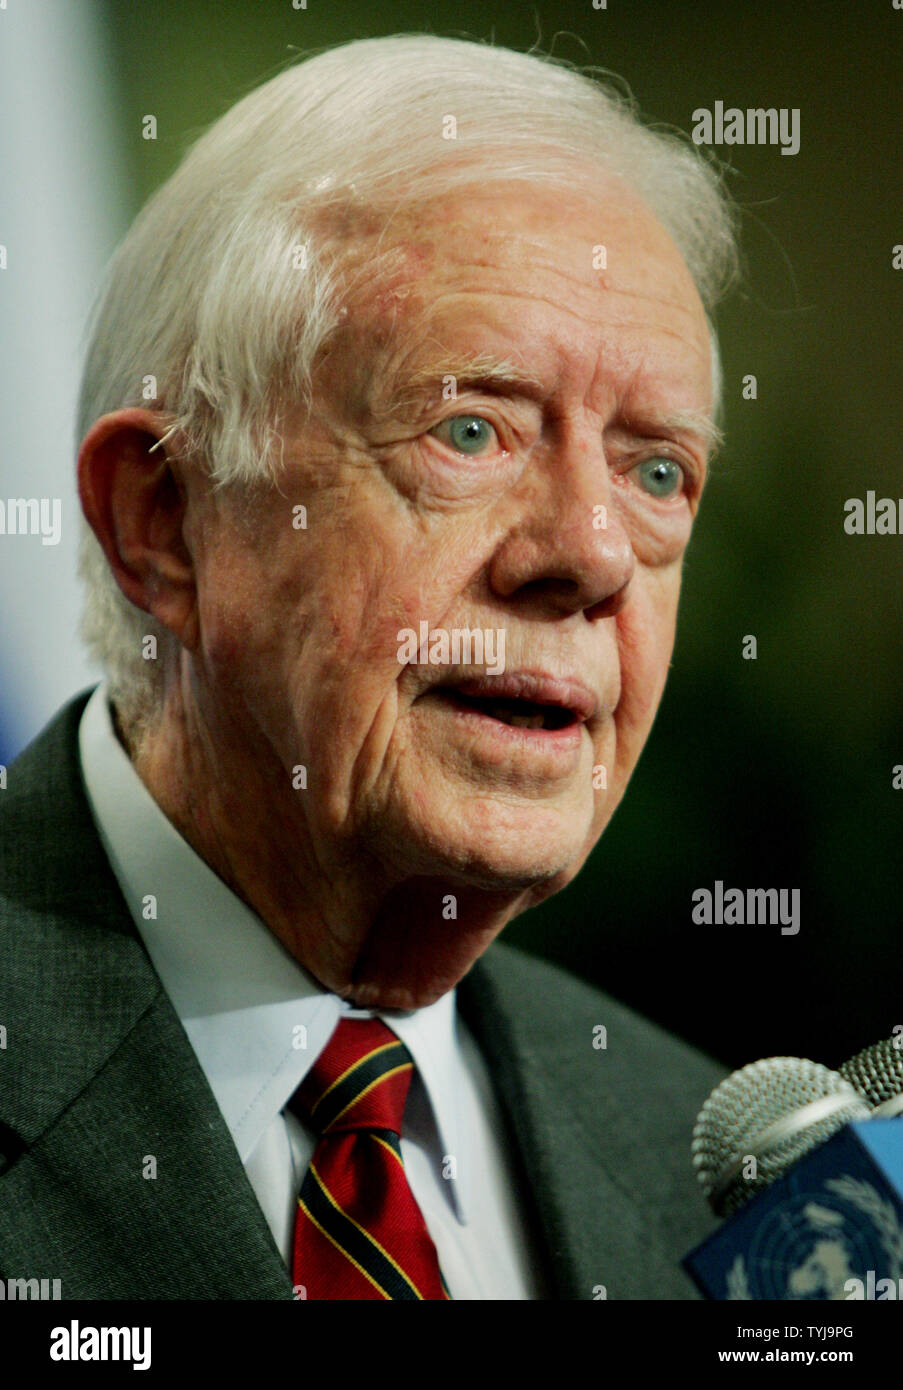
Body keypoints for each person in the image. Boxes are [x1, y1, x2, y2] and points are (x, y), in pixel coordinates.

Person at [0, 33, 737, 1300]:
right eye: (470, 430)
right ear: (163, 520)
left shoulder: (706, 1158)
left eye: (655, 469)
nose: (594, 555)